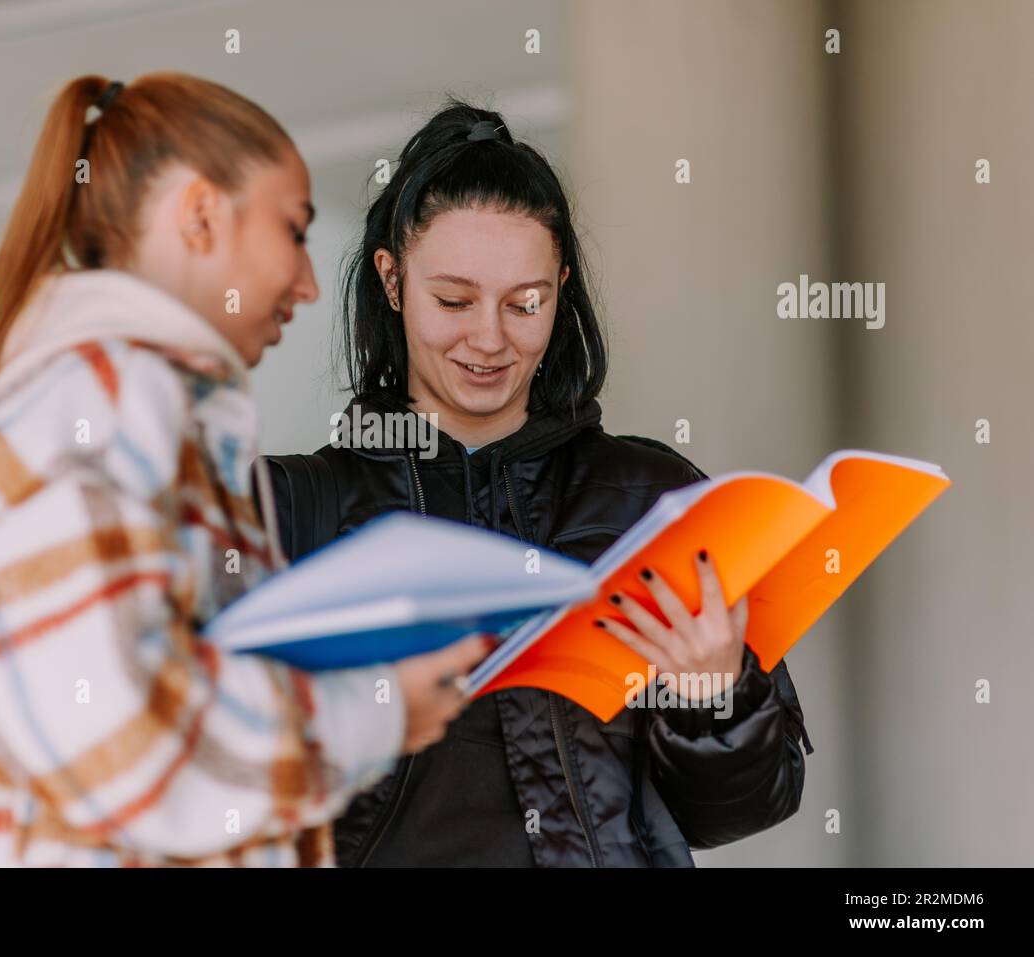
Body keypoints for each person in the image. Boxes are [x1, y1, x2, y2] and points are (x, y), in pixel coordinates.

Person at [0, 74, 489, 867]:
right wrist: (378, 711)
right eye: (293, 231)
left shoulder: (139, 411)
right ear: (199, 215)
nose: (309, 282)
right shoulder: (96, 402)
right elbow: (127, 741)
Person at [263, 101, 815, 867]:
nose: (489, 338)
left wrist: (714, 694)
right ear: (391, 279)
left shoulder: (647, 500)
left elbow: (745, 807)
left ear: (560, 285)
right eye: (453, 300)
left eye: (526, 303)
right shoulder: (291, 512)